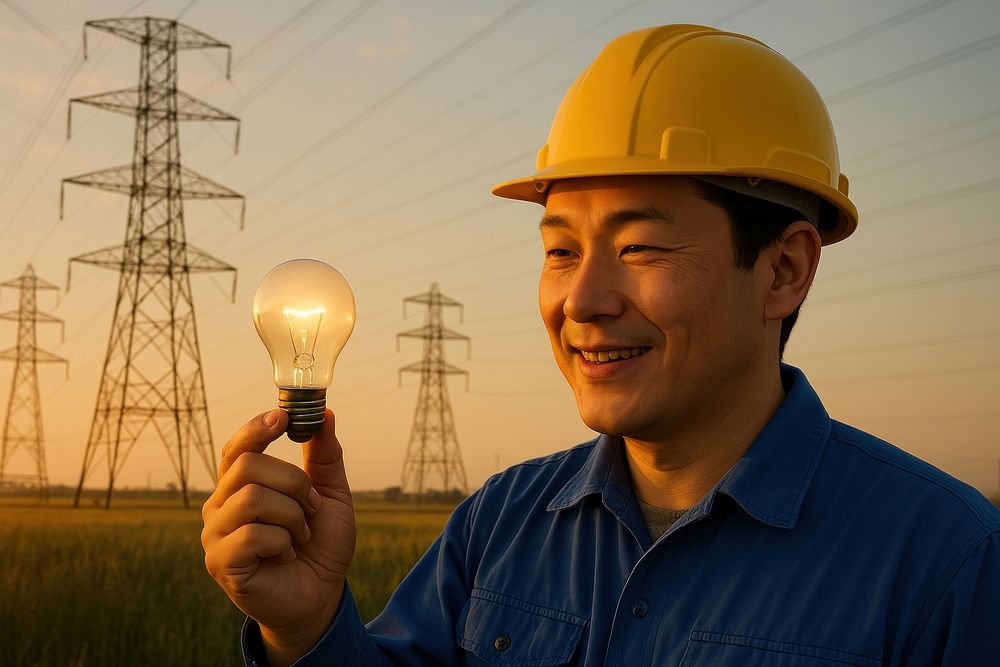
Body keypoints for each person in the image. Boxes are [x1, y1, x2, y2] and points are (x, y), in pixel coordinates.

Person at [201, 24, 1000, 666]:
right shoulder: (498, 524)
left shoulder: (946, 563)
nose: (581, 300)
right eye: (559, 250)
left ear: (784, 270)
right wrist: (305, 631)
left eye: (641, 247)